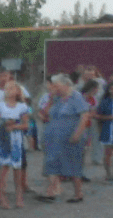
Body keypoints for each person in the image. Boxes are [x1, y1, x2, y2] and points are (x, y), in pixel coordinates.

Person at [37, 75, 90, 204]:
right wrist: (50, 99)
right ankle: (51, 191)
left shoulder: (76, 97)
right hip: (54, 136)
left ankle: (78, 193)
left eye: (56, 85)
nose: (54, 88)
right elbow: (44, 115)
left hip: (70, 136)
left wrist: (78, 133)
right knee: (52, 162)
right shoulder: (56, 99)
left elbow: (84, 116)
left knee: (73, 163)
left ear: (65, 84)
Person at [0, 82, 32, 209]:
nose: (8, 91)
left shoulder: (22, 107)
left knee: (17, 168)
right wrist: (4, 124)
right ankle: (1, 195)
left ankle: (19, 197)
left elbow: (27, 125)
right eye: (6, 89)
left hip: (16, 139)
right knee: (4, 167)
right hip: (3, 138)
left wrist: (14, 126)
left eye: (11, 88)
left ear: (17, 91)